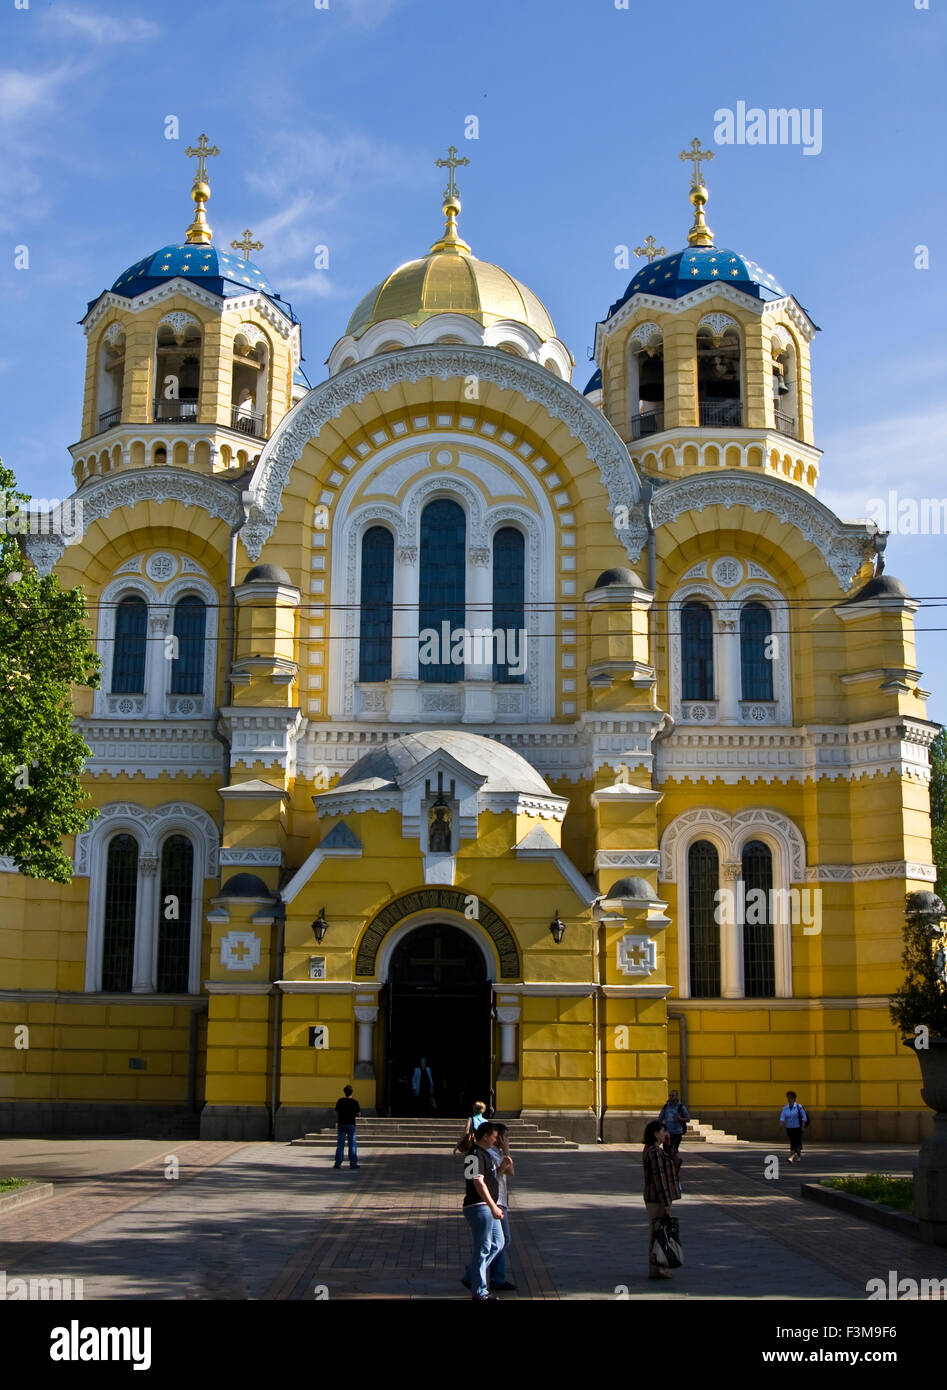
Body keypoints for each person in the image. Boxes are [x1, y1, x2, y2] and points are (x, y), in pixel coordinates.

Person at [461, 1121, 505, 1301]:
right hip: (479, 1206)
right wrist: (493, 1206)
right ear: (485, 1136)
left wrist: (501, 1169)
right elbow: (478, 1182)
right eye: (495, 1136)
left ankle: (470, 1276)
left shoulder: (484, 1154)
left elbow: (489, 1178)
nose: (496, 1140)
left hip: (487, 1206)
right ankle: (479, 1291)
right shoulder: (474, 1154)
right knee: (483, 1247)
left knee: (499, 1242)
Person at [642, 1119, 681, 1280]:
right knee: (658, 1233)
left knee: (657, 1232)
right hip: (657, 1198)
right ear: (655, 1134)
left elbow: (674, 1163)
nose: (666, 1134)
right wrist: (666, 1203)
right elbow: (660, 1179)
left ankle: (657, 1268)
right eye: (663, 1131)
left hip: (655, 1196)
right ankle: (658, 1268)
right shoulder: (654, 1153)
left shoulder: (655, 1150)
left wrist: (668, 1145)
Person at [487, 1123, 516, 1292]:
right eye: (506, 1137)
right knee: (501, 1240)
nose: (508, 1141)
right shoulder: (491, 1154)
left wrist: (505, 1152)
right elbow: (508, 1171)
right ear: (499, 1138)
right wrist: (506, 1151)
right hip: (495, 1202)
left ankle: (496, 1277)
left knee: (499, 1241)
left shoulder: (496, 1153)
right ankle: (493, 1277)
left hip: (501, 1201)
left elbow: (510, 1171)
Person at [333, 1084, 360, 1169]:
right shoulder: (355, 1102)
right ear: (352, 1092)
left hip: (341, 1124)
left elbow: (336, 1110)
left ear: (344, 1092)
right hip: (351, 1125)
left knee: (340, 1144)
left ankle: (338, 1163)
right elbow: (358, 1113)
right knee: (352, 1144)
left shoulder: (340, 1101)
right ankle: (353, 1163)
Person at [780, 1090, 809, 1163]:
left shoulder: (798, 1107)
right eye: (788, 1098)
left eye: (790, 1098)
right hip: (789, 1128)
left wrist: (803, 1126)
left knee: (796, 1143)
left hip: (797, 1127)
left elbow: (804, 1117)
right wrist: (781, 1123)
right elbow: (782, 1117)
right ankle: (798, 1154)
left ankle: (791, 1157)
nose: (789, 1099)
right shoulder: (785, 1108)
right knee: (793, 1142)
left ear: (794, 1098)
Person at [658, 1089, 690, 1154]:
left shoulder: (681, 1107)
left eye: (672, 1096)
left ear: (676, 1097)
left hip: (677, 1133)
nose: (670, 1097)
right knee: (666, 1149)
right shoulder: (666, 1107)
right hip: (668, 1132)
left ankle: (675, 1162)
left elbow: (688, 1119)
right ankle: (670, 1162)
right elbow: (660, 1118)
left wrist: (680, 1118)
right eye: (669, 1096)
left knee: (673, 1150)